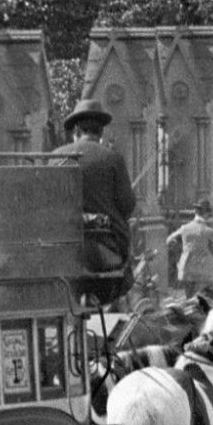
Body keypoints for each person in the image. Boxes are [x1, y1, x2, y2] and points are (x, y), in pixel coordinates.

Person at [53, 98, 136, 305]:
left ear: (76, 131)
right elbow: (127, 205)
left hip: (60, 251)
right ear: (101, 132)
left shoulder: (54, 157)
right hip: (104, 253)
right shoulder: (112, 158)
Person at [168, 198, 213, 299]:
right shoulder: (209, 232)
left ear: (196, 213)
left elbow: (169, 240)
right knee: (201, 301)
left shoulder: (184, 228)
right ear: (206, 214)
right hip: (202, 273)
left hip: (186, 271)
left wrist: (179, 254)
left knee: (189, 299)